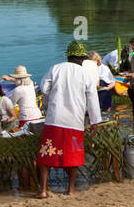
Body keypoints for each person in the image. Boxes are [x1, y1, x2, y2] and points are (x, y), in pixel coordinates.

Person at [36, 41, 101, 197]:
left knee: (46, 154)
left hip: (54, 119)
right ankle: (71, 189)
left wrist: (47, 102)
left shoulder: (56, 68)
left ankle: (44, 190)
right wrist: (95, 122)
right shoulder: (86, 74)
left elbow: (44, 88)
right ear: (83, 59)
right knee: (73, 155)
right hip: (74, 120)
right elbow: (92, 99)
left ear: (68, 56)